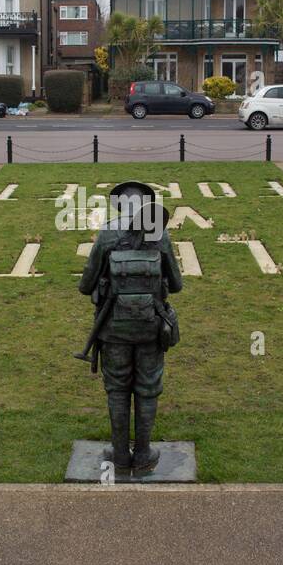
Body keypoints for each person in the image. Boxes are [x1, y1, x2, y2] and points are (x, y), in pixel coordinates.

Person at [77, 181, 183, 475]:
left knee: (117, 389)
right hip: (151, 328)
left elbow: (85, 286)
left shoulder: (108, 233)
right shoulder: (159, 234)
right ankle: (145, 453)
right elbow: (176, 284)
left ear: (120, 205)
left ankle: (120, 455)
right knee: (148, 389)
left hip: (113, 329)